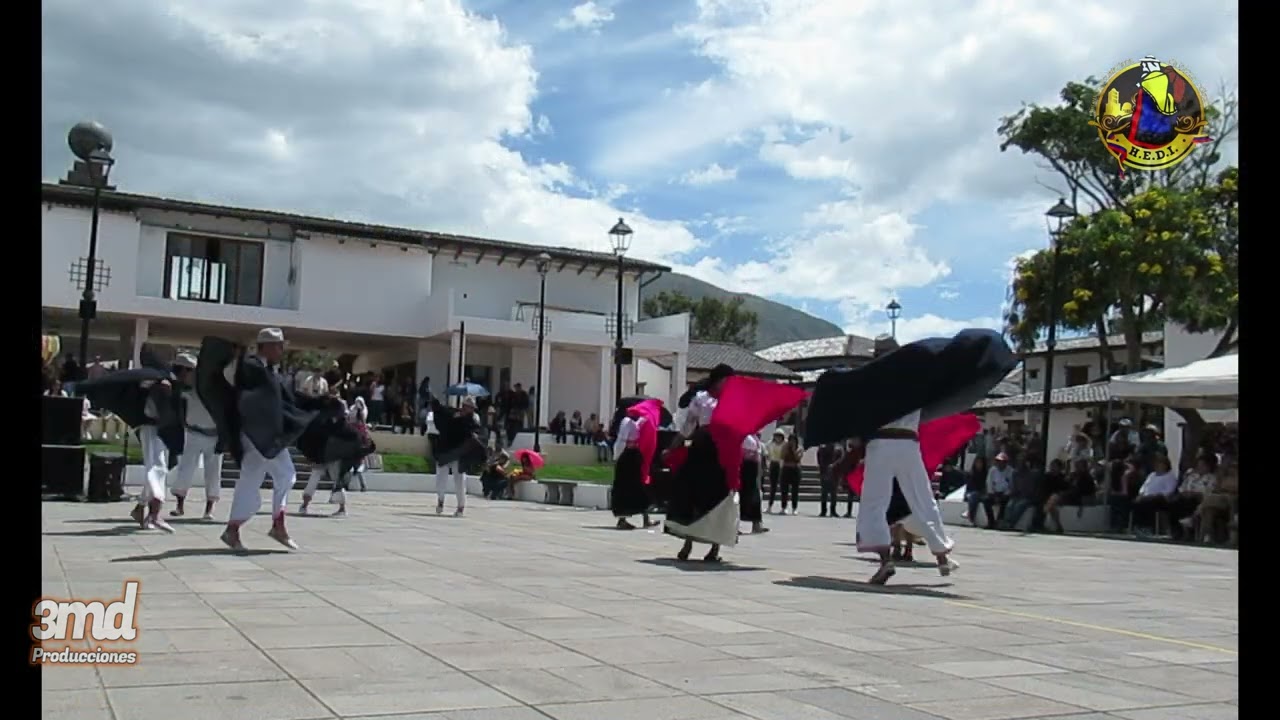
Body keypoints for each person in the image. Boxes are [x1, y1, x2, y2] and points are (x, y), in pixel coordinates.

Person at [803, 329, 1017, 585]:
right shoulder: (917, 373)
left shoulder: (870, 381)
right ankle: (942, 557)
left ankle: (885, 561)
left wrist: (847, 457)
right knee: (923, 498)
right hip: (908, 443)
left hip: (881, 444)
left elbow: (862, 417)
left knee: (874, 502)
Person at [197, 328, 333, 551]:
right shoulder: (251, 368)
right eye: (278, 346)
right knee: (285, 475)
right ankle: (276, 525)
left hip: (261, 435)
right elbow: (250, 399)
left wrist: (318, 403)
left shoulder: (265, 370)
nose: (281, 350)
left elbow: (281, 401)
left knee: (251, 480)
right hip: (260, 435)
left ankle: (233, 529)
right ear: (267, 346)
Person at [664, 365, 805, 563]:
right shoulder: (701, 399)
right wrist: (672, 447)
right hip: (703, 449)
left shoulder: (736, 401)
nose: (729, 384)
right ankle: (688, 543)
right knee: (692, 494)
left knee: (722, 498)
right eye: (726, 380)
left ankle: (715, 548)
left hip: (726, 452)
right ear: (717, 380)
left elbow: (744, 426)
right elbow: (688, 427)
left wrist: (751, 449)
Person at [169, 353, 224, 521]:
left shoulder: (212, 386)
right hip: (193, 433)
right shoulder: (185, 388)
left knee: (213, 472)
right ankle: (179, 506)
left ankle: (209, 509)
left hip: (213, 435)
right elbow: (179, 403)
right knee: (185, 469)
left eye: (182, 371)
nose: (181, 375)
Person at [611, 399, 662, 530]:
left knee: (638, 486)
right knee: (627, 487)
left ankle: (645, 519)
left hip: (633, 456)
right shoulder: (626, 421)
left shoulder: (633, 421)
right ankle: (623, 519)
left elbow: (638, 427)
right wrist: (617, 457)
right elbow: (622, 441)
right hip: (627, 456)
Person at [431, 397, 481, 516]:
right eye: (467, 407)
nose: (469, 409)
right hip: (445, 450)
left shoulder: (473, 419)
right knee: (441, 477)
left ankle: (460, 506)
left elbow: (475, 430)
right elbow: (441, 415)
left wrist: (464, 418)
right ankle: (440, 500)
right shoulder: (452, 413)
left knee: (459, 480)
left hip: (459, 452)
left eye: (471, 408)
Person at [1131, 454, 1179, 534]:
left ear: (1165, 465)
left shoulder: (1170, 476)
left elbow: (1169, 491)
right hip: (1146, 497)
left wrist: (1152, 496)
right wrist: (1141, 494)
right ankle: (1138, 526)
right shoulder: (1152, 475)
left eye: (1160, 463)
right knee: (1136, 503)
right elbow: (1144, 486)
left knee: (1149, 503)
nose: (1157, 466)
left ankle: (1149, 527)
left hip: (1160, 499)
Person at [739, 433, 767, 534]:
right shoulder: (743, 436)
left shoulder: (755, 438)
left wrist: (760, 474)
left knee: (755, 498)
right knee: (741, 498)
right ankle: (736, 527)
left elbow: (759, 457)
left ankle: (757, 525)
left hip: (753, 470)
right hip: (743, 469)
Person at [984, 452, 1014, 528]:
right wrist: (993, 494)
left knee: (1004, 502)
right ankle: (991, 521)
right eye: (999, 461)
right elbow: (989, 483)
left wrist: (1005, 494)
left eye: (1003, 462)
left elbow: (1011, 485)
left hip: (1005, 494)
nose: (1001, 463)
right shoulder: (992, 470)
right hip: (994, 493)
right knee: (986, 501)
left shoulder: (1011, 471)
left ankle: (1000, 521)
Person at [779, 434, 803, 515]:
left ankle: (794, 508)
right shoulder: (785, 447)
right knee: (784, 490)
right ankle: (784, 507)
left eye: (793, 440)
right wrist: (786, 448)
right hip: (786, 469)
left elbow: (797, 458)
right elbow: (782, 456)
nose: (792, 442)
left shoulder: (799, 448)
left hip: (795, 470)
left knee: (795, 490)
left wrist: (793, 449)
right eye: (790, 440)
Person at [764, 430, 785, 514]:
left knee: (783, 487)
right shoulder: (770, 443)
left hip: (782, 465)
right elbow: (765, 451)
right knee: (773, 487)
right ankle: (769, 506)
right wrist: (767, 458)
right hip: (773, 464)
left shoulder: (785, 444)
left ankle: (783, 507)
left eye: (780, 436)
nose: (778, 438)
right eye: (776, 436)